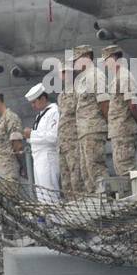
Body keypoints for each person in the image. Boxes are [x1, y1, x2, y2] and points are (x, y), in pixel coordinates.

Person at [98, 44, 137, 177]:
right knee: (121, 168)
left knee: (127, 169)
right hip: (119, 130)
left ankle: (135, 197)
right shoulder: (117, 78)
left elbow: (132, 104)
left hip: (124, 130)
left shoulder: (124, 77)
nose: (106, 65)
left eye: (106, 61)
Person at [72, 45, 106, 191]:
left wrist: (108, 125)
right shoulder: (81, 80)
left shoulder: (96, 75)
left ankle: (105, 197)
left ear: (86, 57)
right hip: (83, 132)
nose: (74, 64)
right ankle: (94, 200)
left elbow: (104, 102)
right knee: (86, 171)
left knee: (96, 167)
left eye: (76, 60)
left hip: (94, 129)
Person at [24, 83, 61, 201]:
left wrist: (32, 134)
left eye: (34, 102)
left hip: (48, 158)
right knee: (42, 196)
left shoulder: (53, 112)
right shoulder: (40, 115)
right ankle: (48, 218)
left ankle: (55, 219)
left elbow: (54, 137)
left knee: (50, 195)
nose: (33, 106)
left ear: (43, 98)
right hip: (38, 159)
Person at [0, 89, 24, 187]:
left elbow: (17, 146)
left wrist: (21, 166)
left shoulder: (10, 118)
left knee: (10, 201)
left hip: (8, 172)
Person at [57, 60, 79, 193]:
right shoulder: (61, 96)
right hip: (63, 142)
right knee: (66, 181)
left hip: (74, 139)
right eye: (63, 72)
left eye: (68, 71)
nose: (66, 75)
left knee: (77, 176)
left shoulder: (78, 90)